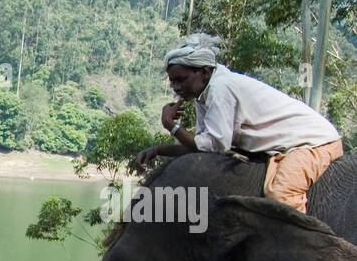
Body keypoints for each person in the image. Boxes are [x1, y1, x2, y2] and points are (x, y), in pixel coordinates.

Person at [134, 34, 344, 212]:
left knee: (280, 194)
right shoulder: (203, 95)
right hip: (285, 147)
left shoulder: (220, 89)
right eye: (173, 82)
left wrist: (171, 125)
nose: (176, 87)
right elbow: (200, 146)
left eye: (181, 79)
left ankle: (303, 252)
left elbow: (216, 146)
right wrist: (158, 149)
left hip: (313, 143)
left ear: (204, 72)